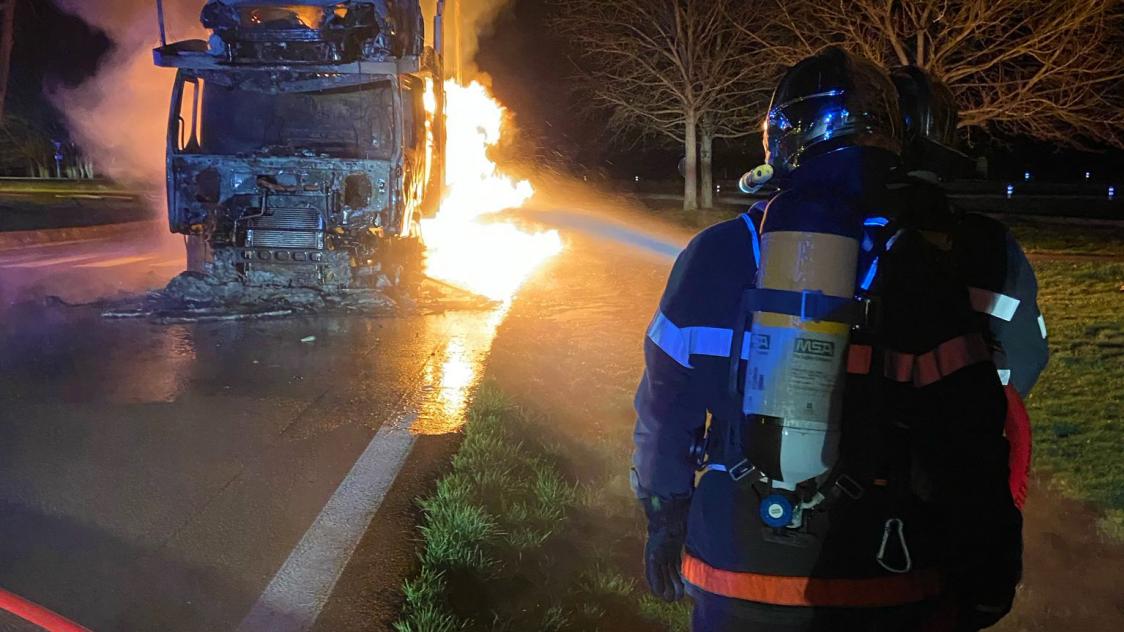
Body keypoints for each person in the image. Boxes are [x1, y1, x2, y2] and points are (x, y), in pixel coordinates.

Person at [633, 47, 1022, 631]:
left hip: (732, 570)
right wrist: (989, 563)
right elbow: (967, 433)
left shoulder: (713, 253)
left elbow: (664, 409)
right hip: (882, 573)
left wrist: (664, 516)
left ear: (787, 136)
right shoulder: (915, 261)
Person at [887, 66, 1049, 509]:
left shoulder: (825, 236)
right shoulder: (991, 245)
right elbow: (1027, 357)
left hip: (842, 472)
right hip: (952, 472)